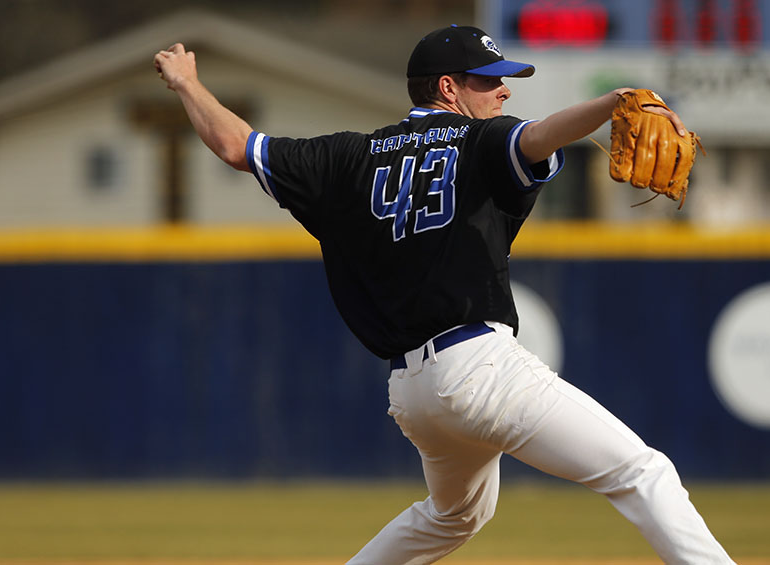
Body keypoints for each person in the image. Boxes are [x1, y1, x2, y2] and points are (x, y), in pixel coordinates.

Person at [154, 24, 735, 565]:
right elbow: (538, 137)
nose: (503, 91)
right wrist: (614, 103)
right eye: (489, 79)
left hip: (415, 394)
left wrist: (188, 83)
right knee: (642, 470)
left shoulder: (344, 157)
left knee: (455, 515)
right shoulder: (479, 141)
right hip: (479, 368)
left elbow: (237, 146)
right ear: (448, 87)